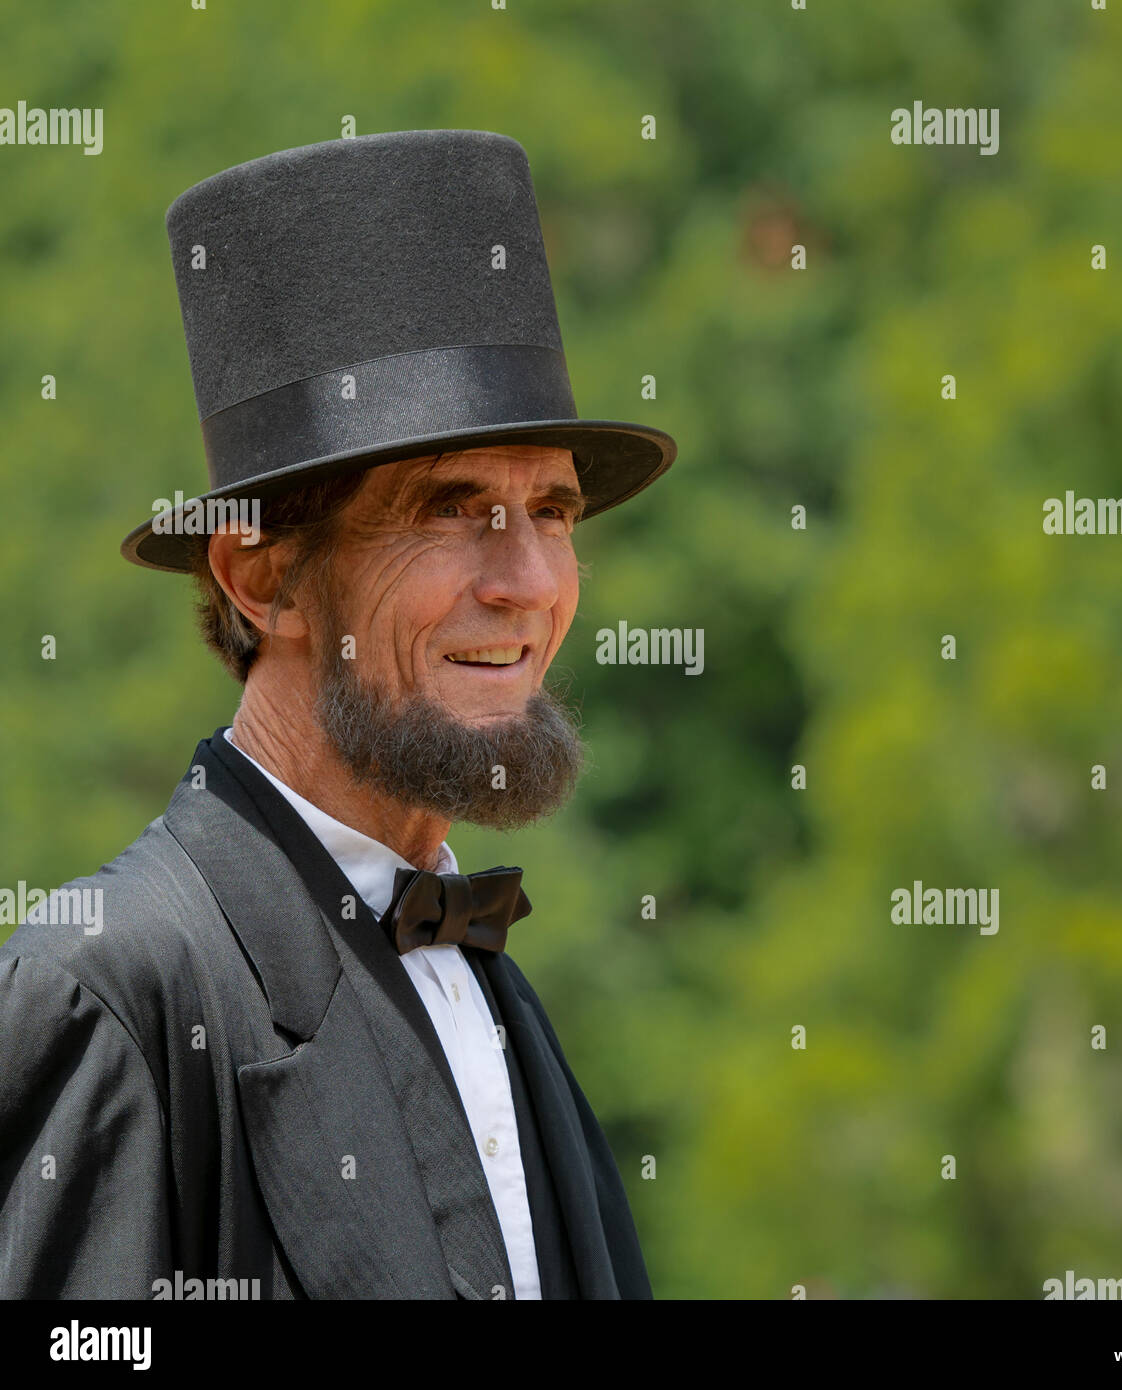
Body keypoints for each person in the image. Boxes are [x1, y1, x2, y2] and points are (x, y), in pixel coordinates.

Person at [0, 129, 676, 1299]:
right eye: (455, 507)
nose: (527, 581)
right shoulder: (108, 986)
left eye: (553, 512)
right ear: (262, 579)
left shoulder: (493, 986)